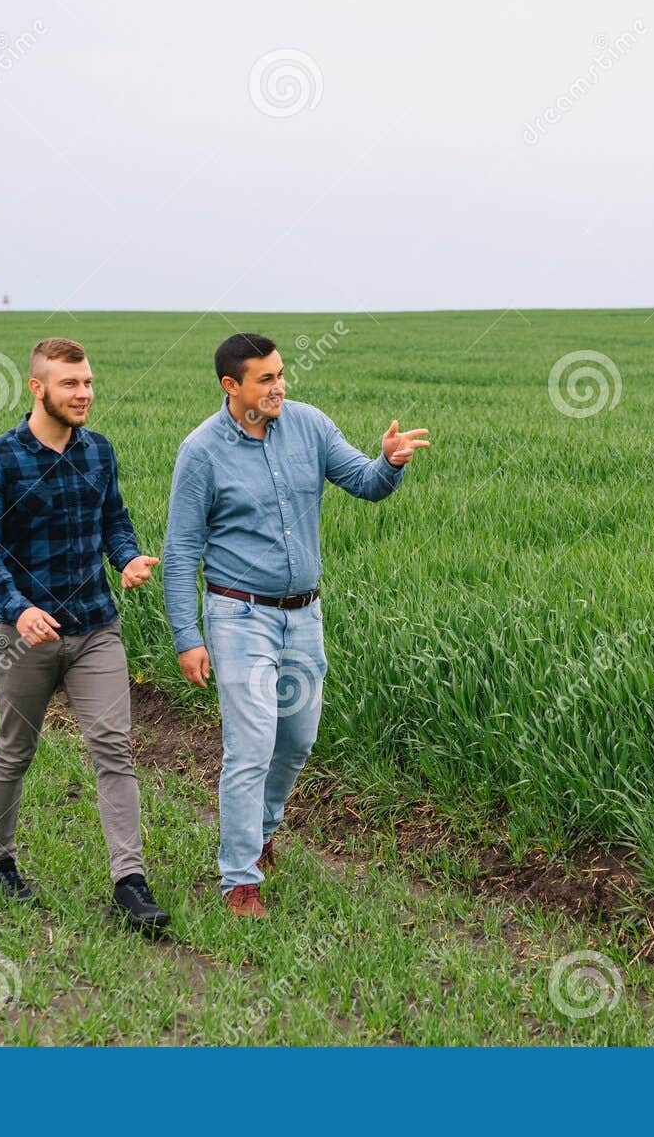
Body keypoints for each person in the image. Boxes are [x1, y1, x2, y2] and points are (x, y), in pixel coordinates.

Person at [163, 332, 430, 916]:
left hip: (303, 615)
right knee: (251, 744)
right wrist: (188, 636)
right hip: (237, 616)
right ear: (232, 386)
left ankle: (260, 832)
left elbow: (365, 483)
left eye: (281, 374)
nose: (279, 386)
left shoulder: (308, 426)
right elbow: (182, 551)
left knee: (298, 738)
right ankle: (239, 878)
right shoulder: (202, 451)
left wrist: (388, 461)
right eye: (265, 378)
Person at [0, 336, 169, 933]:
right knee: (14, 753)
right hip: (25, 635)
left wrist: (126, 558)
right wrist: (16, 606)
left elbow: (114, 520)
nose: (83, 395)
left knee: (115, 748)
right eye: (70, 385)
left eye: (88, 384)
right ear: (38, 388)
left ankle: (129, 883)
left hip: (95, 627)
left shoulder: (99, 452)